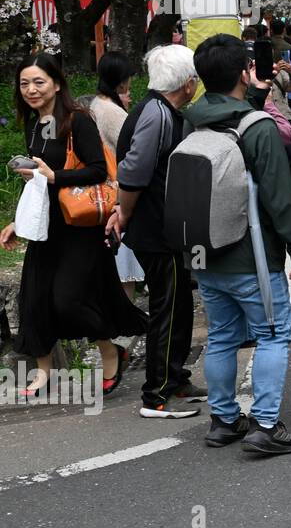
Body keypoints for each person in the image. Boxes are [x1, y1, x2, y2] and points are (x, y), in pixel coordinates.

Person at [187, 34, 291, 454]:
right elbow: (278, 195)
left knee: (221, 335)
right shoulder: (257, 128)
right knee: (273, 335)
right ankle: (265, 425)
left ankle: (223, 420)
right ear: (245, 73)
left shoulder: (192, 120)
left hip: (204, 252)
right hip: (251, 256)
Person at [0, 54, 145, 399]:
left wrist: (56, 176)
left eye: (38, 82)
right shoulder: (34, 124)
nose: (31, 90)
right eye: (24, 84)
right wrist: (18, 221)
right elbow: (38, 181)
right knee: (34, 299)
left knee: (68, 300)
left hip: (79, 228)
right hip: (46, 226)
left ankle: (111, 351)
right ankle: (43, 373)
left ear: (57, 83)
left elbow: (98, 169)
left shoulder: (78, 121)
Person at [108, 45, 206, 418]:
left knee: (180, 304)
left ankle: (176, 378)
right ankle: (157, 394)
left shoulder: (161, 109)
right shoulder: (156, 114)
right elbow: (132, 173)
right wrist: (124, 214)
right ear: (186, 83)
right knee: (167, 306)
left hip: (165, 228)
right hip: (156, 230)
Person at [87, 52, 147, 301]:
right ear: (122, 81)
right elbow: (135, 151)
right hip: (116, 191)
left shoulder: (97, 104)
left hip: (104, 190)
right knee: (124, 265)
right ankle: (127, 320)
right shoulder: (112, 112)